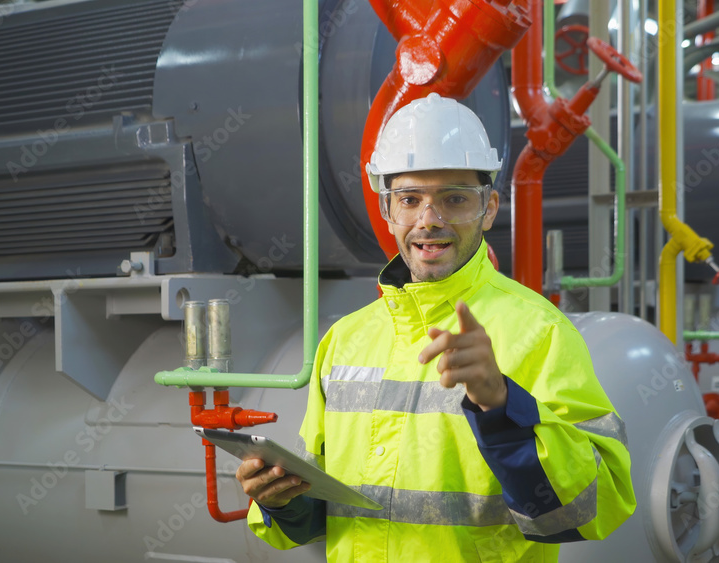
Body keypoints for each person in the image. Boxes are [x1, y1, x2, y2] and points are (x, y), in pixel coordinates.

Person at [237, 93, 635, 561]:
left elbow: (593, 507)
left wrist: (504, 408)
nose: (429, 220)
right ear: (388, 210)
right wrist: (281, 499)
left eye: (455, 199)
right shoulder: (344, 340)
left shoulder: (540, 332)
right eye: (410, 199)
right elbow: (329, 510)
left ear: (488, 210)